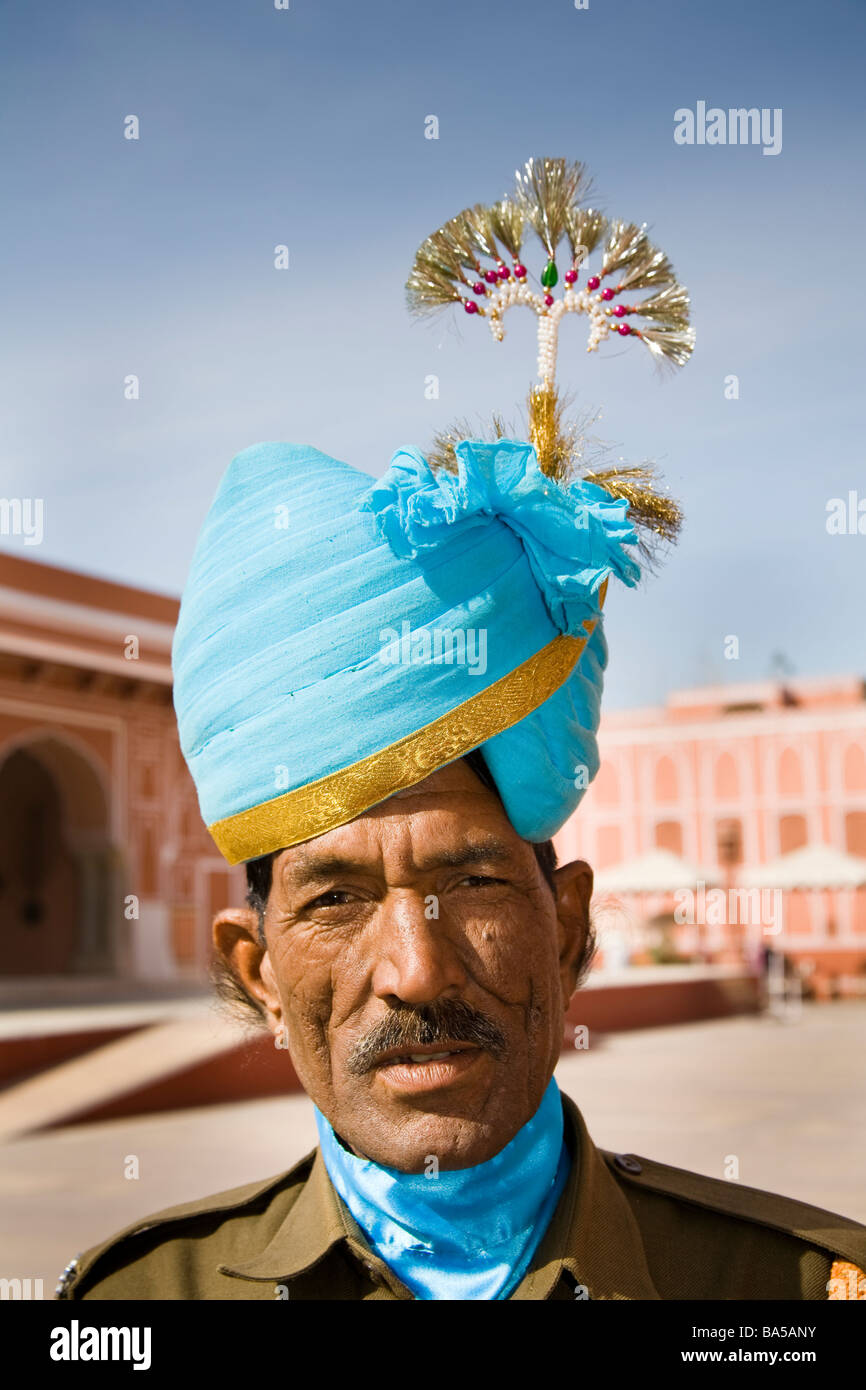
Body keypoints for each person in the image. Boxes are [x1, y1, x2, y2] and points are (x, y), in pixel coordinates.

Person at [56, 158, 866, 1301]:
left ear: (570, 929)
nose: (415, 968)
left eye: (474, 883)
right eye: (332, 900)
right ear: (258, 975)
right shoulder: (138, 1303)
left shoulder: (778, 1293)